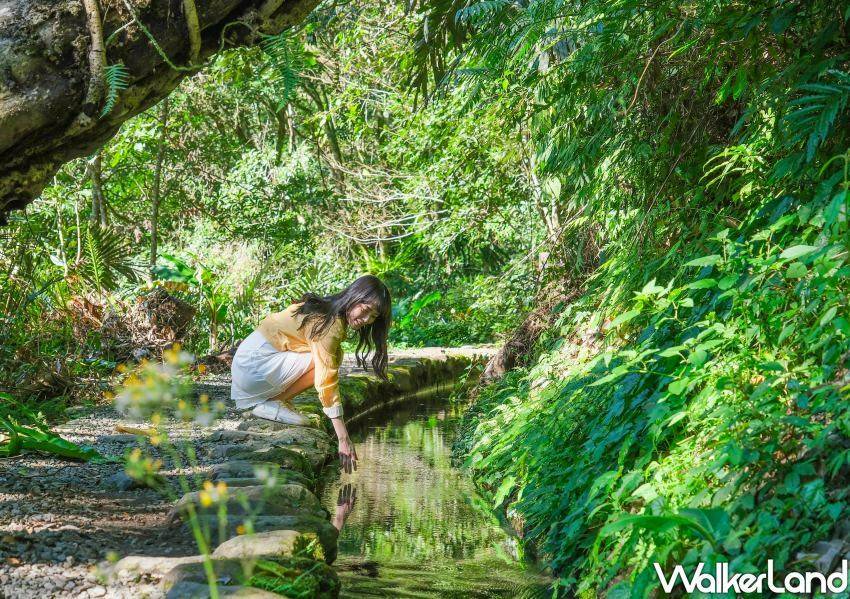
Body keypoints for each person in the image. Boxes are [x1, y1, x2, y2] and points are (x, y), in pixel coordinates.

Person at [230, 275, 391, 473]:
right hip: (253, 365)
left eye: (373, 316)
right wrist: (343, 438)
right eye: (365, 310)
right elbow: (326, 381)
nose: (366, 320)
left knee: (333, 356)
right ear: (354, 297)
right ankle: (272, 402)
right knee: (327, 361)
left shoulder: (328, 310)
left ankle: (277, 400)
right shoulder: (329, 323)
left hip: (250, 363)